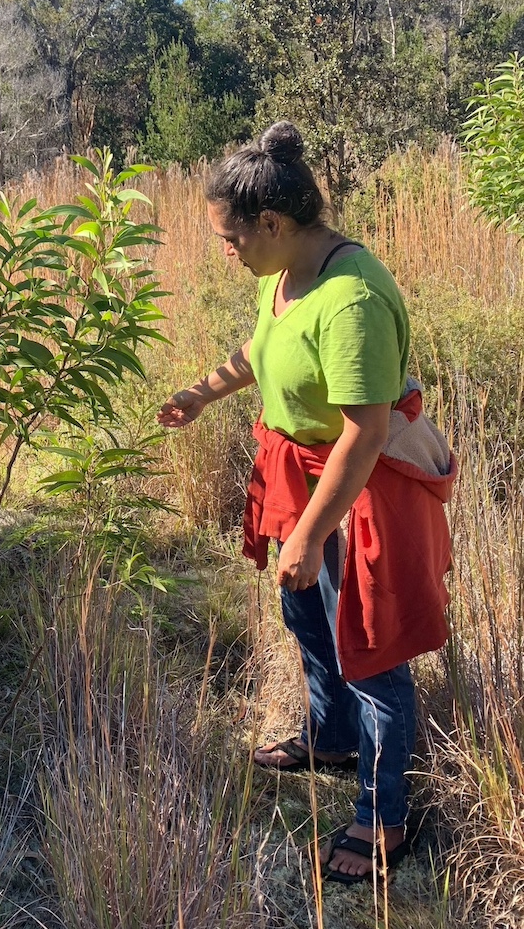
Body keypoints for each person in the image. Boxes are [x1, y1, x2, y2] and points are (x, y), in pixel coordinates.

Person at [159, 122, 455, 885]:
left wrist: (310, 533)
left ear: (272, 224)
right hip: (303, 477)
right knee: (307, 615)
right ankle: (331, 738)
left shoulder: (352, 296)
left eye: (231, 237)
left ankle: (384, 817)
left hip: (359, 491)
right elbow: (261, 351)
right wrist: (200, 393)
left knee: (372, 649)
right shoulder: (283, 273)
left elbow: (366, 431)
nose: (225, 251)